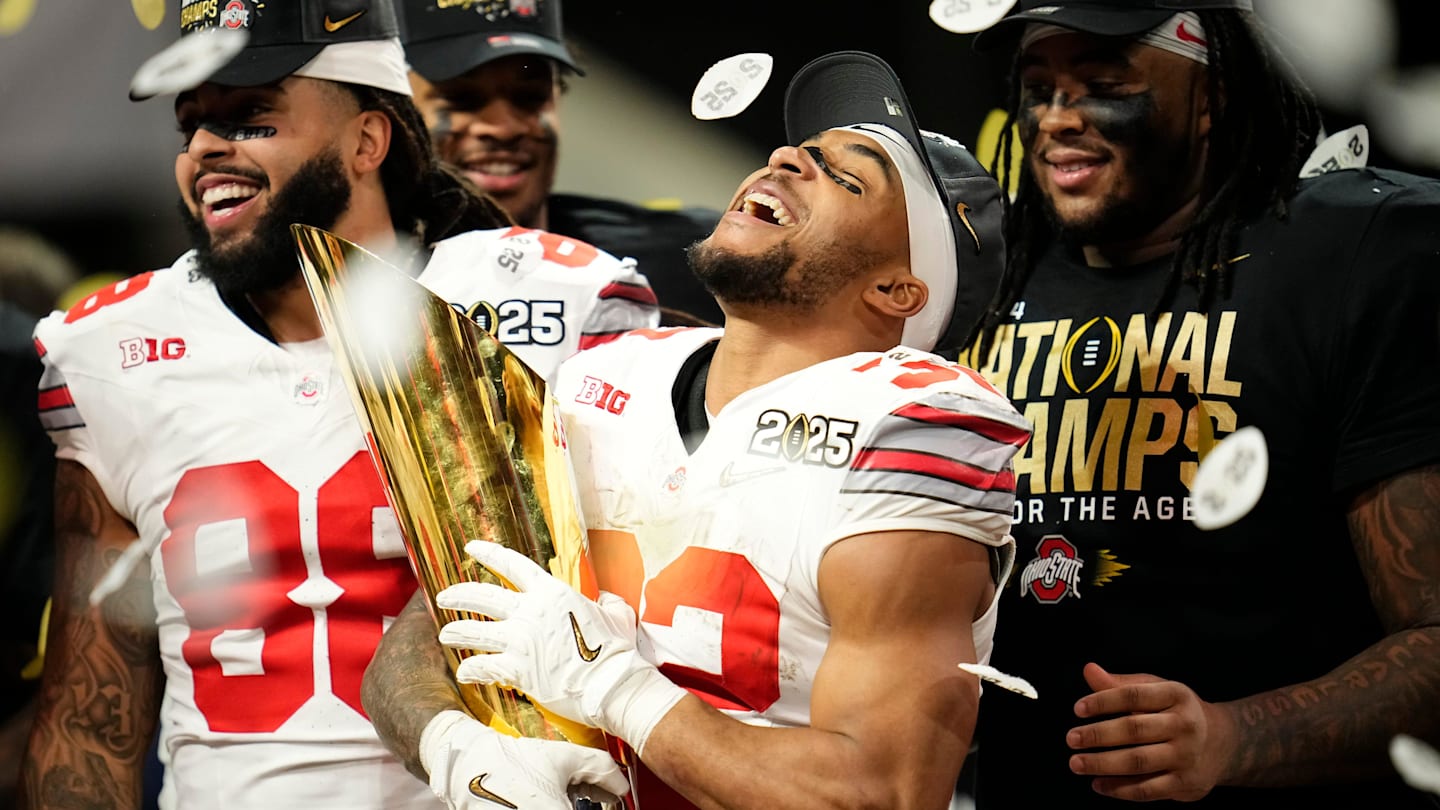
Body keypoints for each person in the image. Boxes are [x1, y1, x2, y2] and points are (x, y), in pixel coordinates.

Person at [19, 0, 657, 807]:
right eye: (193, 125)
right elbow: (91, 707)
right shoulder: (111, 352)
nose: (208, 148)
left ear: (367, 139)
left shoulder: (552, 303)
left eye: (251, 117)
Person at [358, 50, 1027, 810]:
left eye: (846, 176)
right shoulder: (599, 378)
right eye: (797, 151)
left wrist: (616, 689)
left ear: (897, 288)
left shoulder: (909, 425)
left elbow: (881, 792)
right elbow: (426, 634)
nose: (784, 159)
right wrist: (456, 746)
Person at [956, 1, 1440, 807]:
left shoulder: (1358, 255)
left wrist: (1234, 735)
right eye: (1038, 88)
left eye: (1107, 84)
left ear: (1211, 99)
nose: (1057, 119)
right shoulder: (983, 272)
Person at [397, 0, 725, 327]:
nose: (504, 128)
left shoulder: (690, 262)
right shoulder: (360, 275)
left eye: (529, 98)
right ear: (392, 112)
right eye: (462, 100)